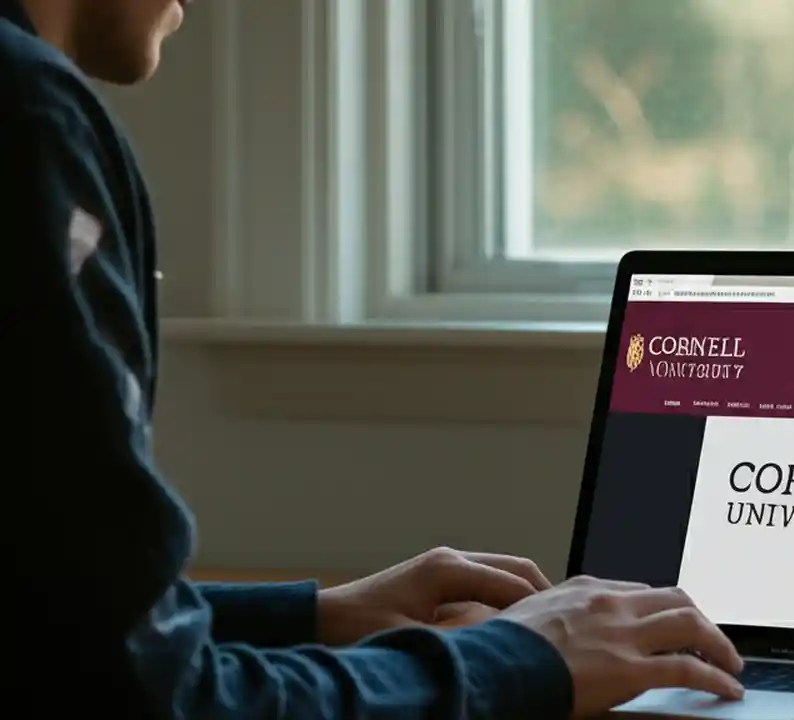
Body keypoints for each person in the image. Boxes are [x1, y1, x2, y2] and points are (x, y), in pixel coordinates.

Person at [1, 0, 746, 717]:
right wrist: (524, 660)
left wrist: (315, 616)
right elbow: (151, 698)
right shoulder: (30, 119)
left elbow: (56, 629)